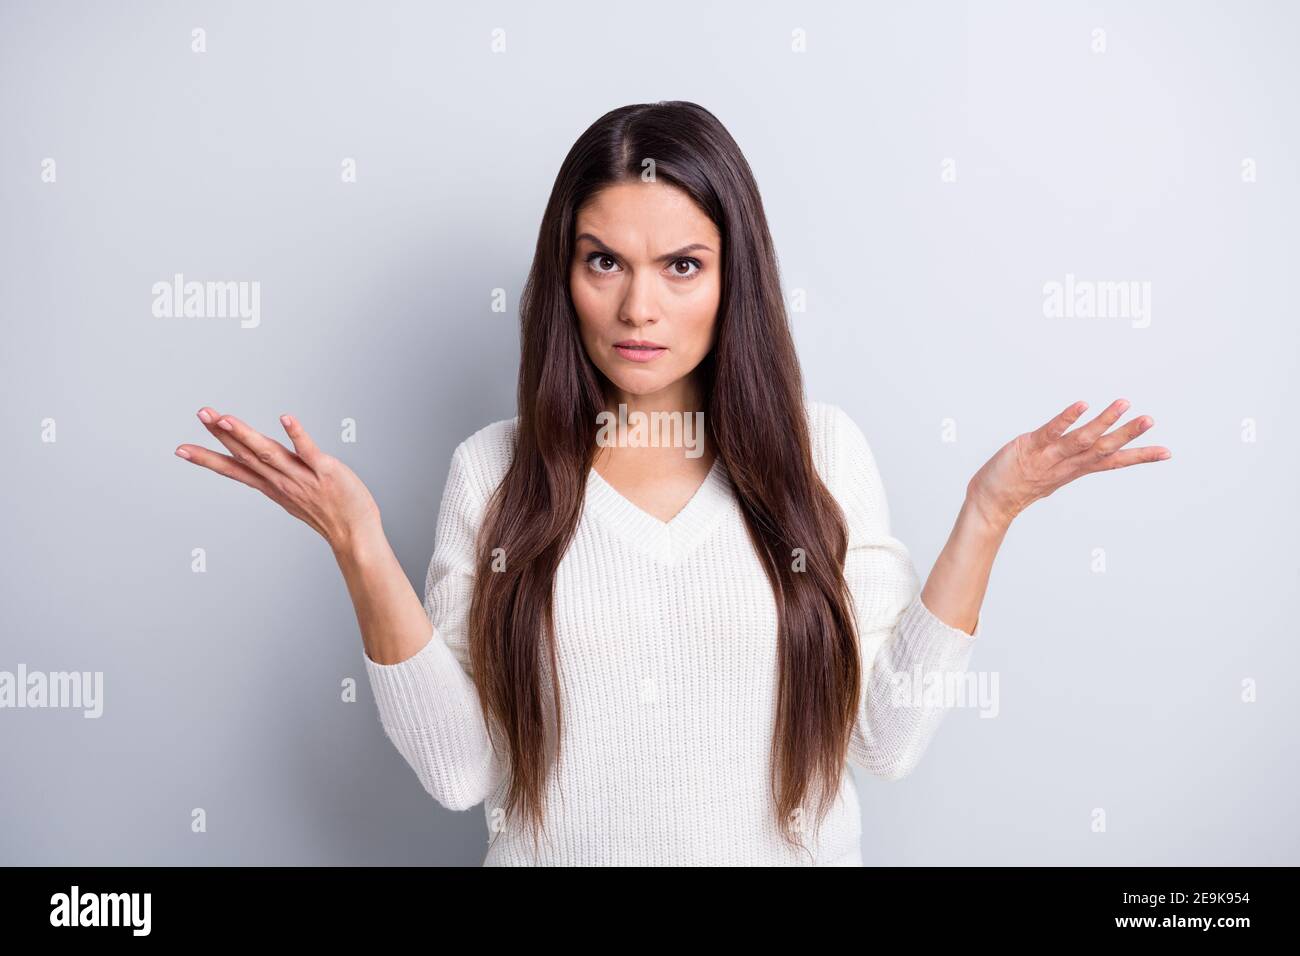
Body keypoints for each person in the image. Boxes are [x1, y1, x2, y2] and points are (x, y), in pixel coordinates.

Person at [174, 101, 1171, 865]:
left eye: (682, 265)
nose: (638, 306)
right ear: (562, 277)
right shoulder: (494, 471)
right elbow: (460, 771)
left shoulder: (822, 456)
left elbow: (883, 738)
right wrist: (357, 545)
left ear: (735, 276)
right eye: (603, 261)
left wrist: (986, 515)